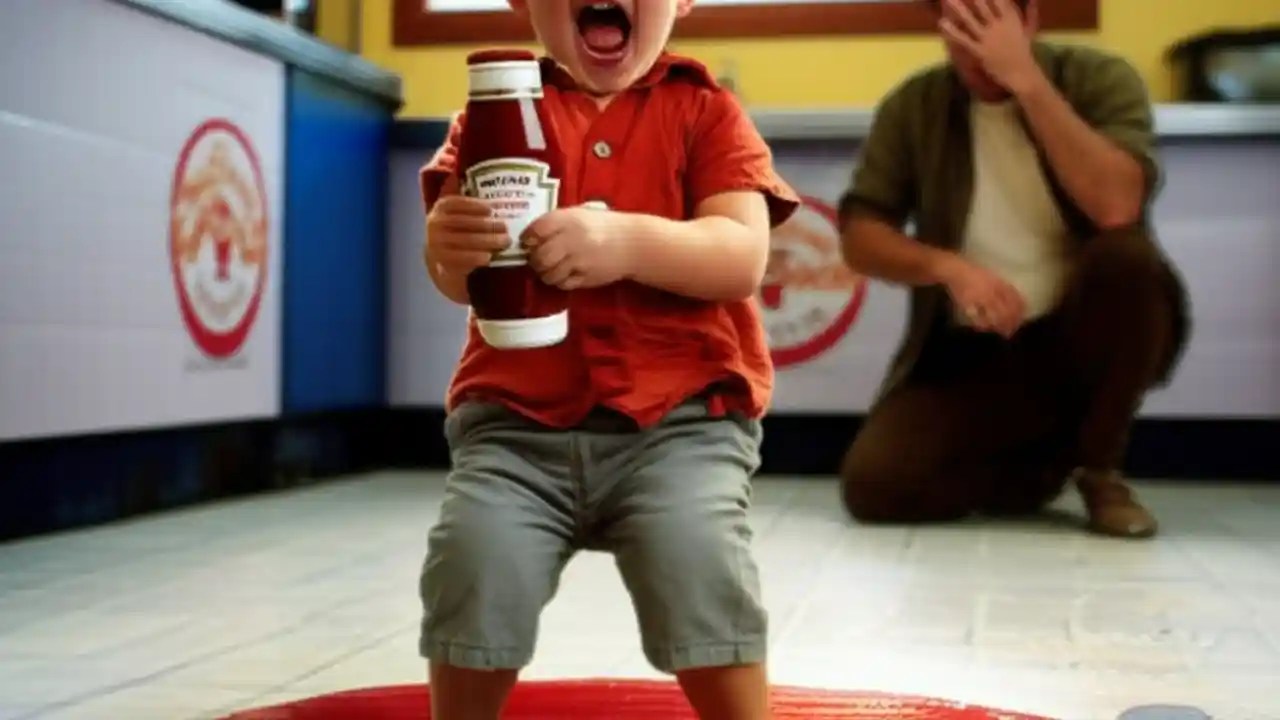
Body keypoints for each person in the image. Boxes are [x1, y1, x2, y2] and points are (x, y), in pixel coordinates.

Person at [417, 1, 798, 718]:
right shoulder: (494, 111)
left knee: (702, 560)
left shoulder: (706, 111)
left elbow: (741, 258)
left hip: (680, 430)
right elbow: (452, 272)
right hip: (515, 430)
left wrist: (625, 243)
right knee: (473, 558)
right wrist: (448, 246)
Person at [837, 0, 1189, 539]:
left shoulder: (1099, 78)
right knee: (876, 487)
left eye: (990, 22)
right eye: (959, 26)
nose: (975, 47)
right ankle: (1039, 465)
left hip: (1082, 332)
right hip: (976, 350)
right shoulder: (917, 105)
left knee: (1126, 259)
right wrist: (945, 265)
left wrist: (1028, 83)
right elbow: (861, 236)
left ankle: (1100, 471)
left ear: (1028, 21)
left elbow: (1117, 206)